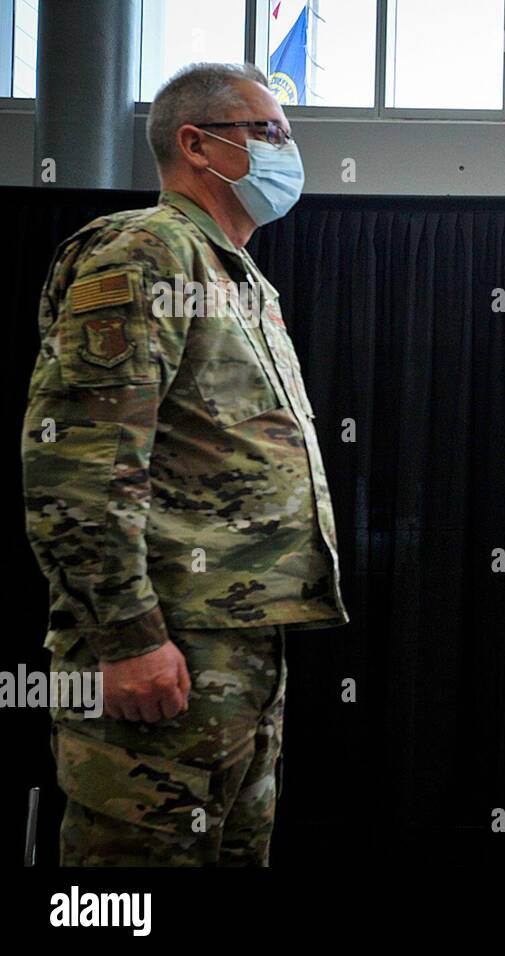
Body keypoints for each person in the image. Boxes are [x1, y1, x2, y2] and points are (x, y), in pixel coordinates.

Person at [21, 62, 346, 865]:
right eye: (270, 132)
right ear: (198, 145)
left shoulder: (240, 281)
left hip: (236, 650)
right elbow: (81, 465)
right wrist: (127, 637)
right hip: (163, 648)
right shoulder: (147, 254)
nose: (286, 149)